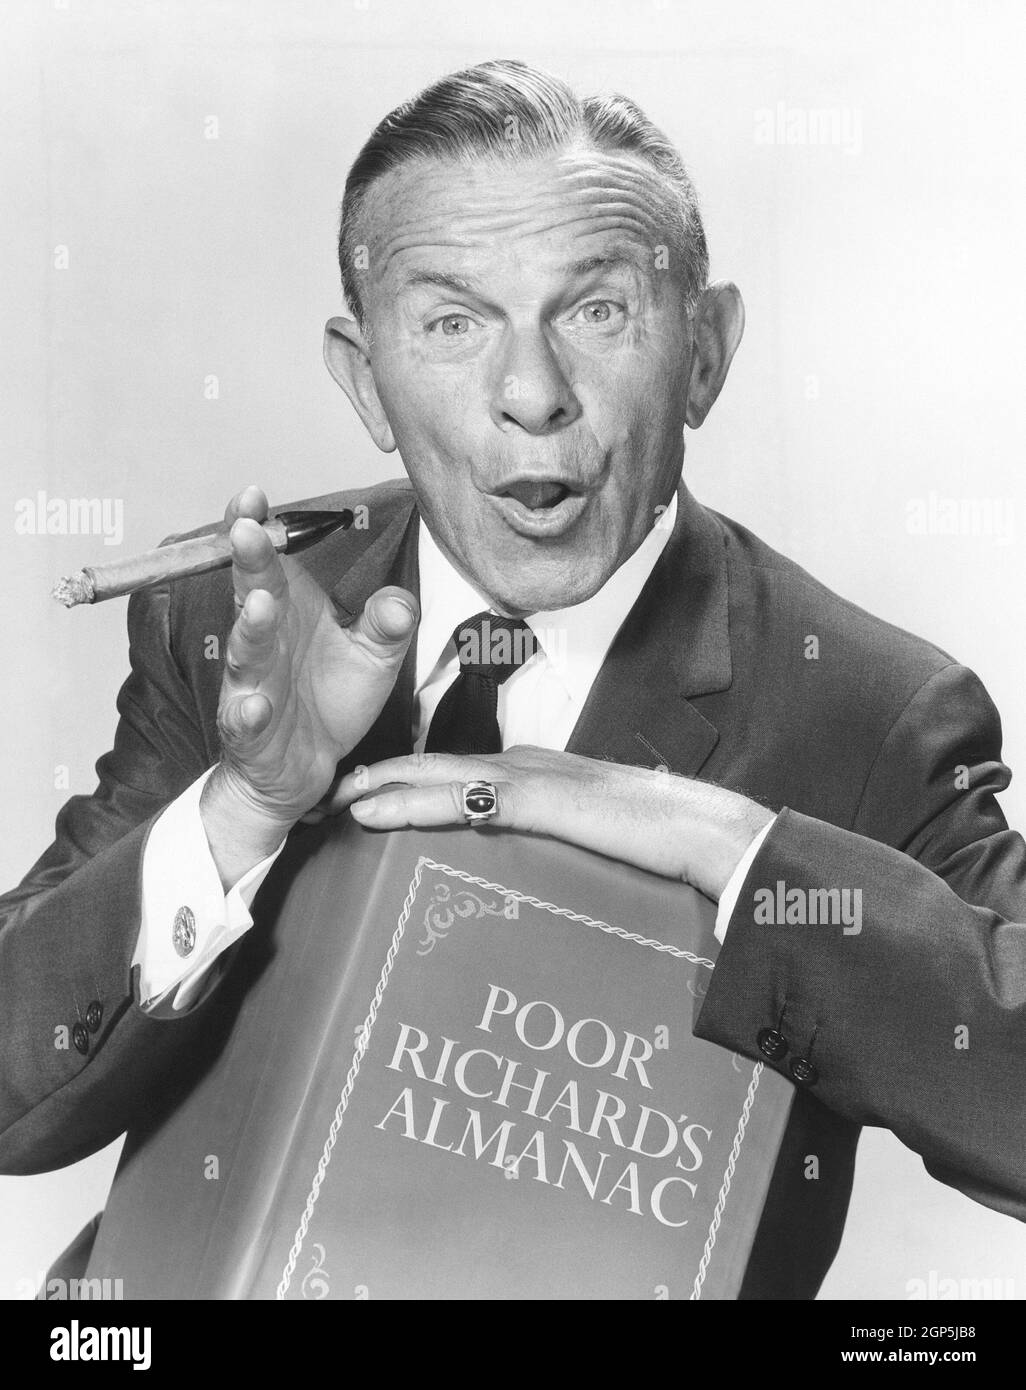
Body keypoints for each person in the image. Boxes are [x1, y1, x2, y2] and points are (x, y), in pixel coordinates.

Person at [2, 58, 1024, 1300]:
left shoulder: (871, 709)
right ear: (365, 380)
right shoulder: (229, 615)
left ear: (704, 354)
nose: (532, 396)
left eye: (597, 313)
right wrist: (242, 810)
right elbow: (16, 1096)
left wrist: (733, 847)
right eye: (451, 322)